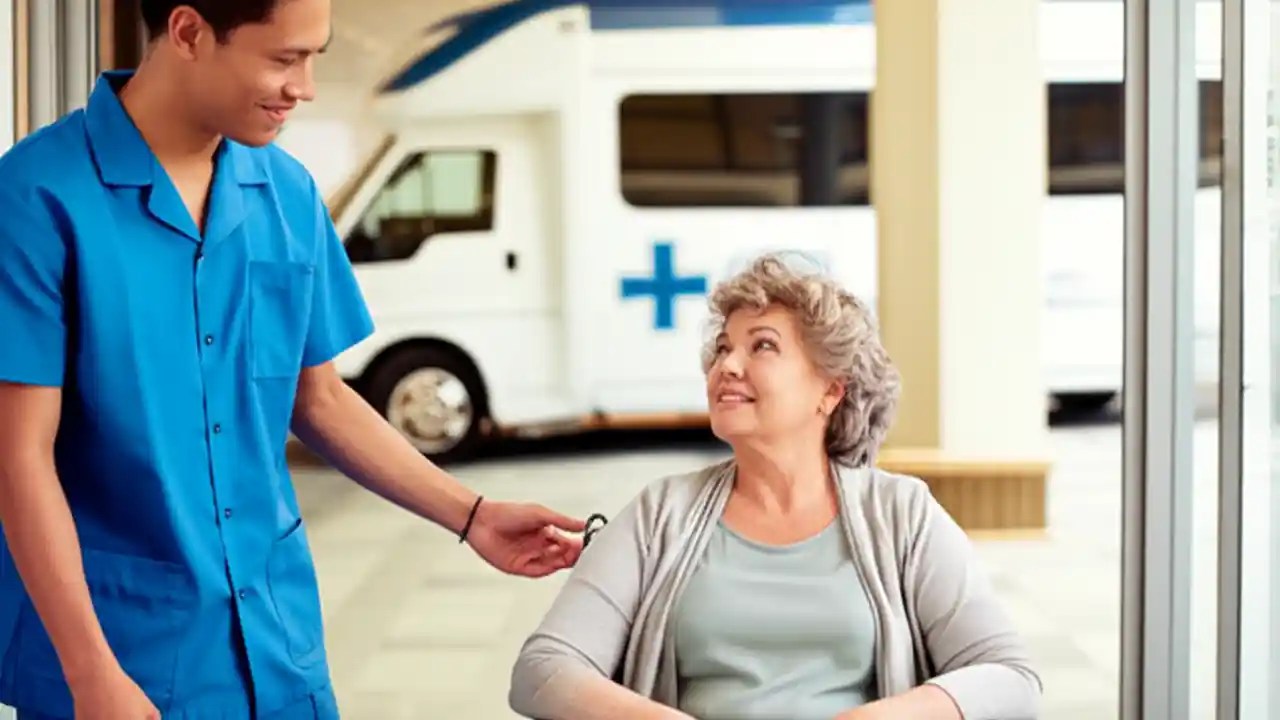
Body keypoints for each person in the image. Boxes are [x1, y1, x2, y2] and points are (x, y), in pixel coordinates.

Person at [0, 1, 586, 718]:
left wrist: (472, 515)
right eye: (284, 59)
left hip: (278, 649)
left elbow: (320, 398)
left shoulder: (287, 192)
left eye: (315, 57)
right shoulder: (34, 197)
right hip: (122, 657)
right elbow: (17, 457)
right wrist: (89, 672)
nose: (304, 86)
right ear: (188, 32)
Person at [509, 254, 1043, 720]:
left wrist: (887, 716)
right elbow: (542, 670)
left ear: (830, 391)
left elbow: (1010, 677)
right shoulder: (660, 513)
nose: (727, 366)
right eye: (722, 349)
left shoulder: (902, 514)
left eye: (761, 347)